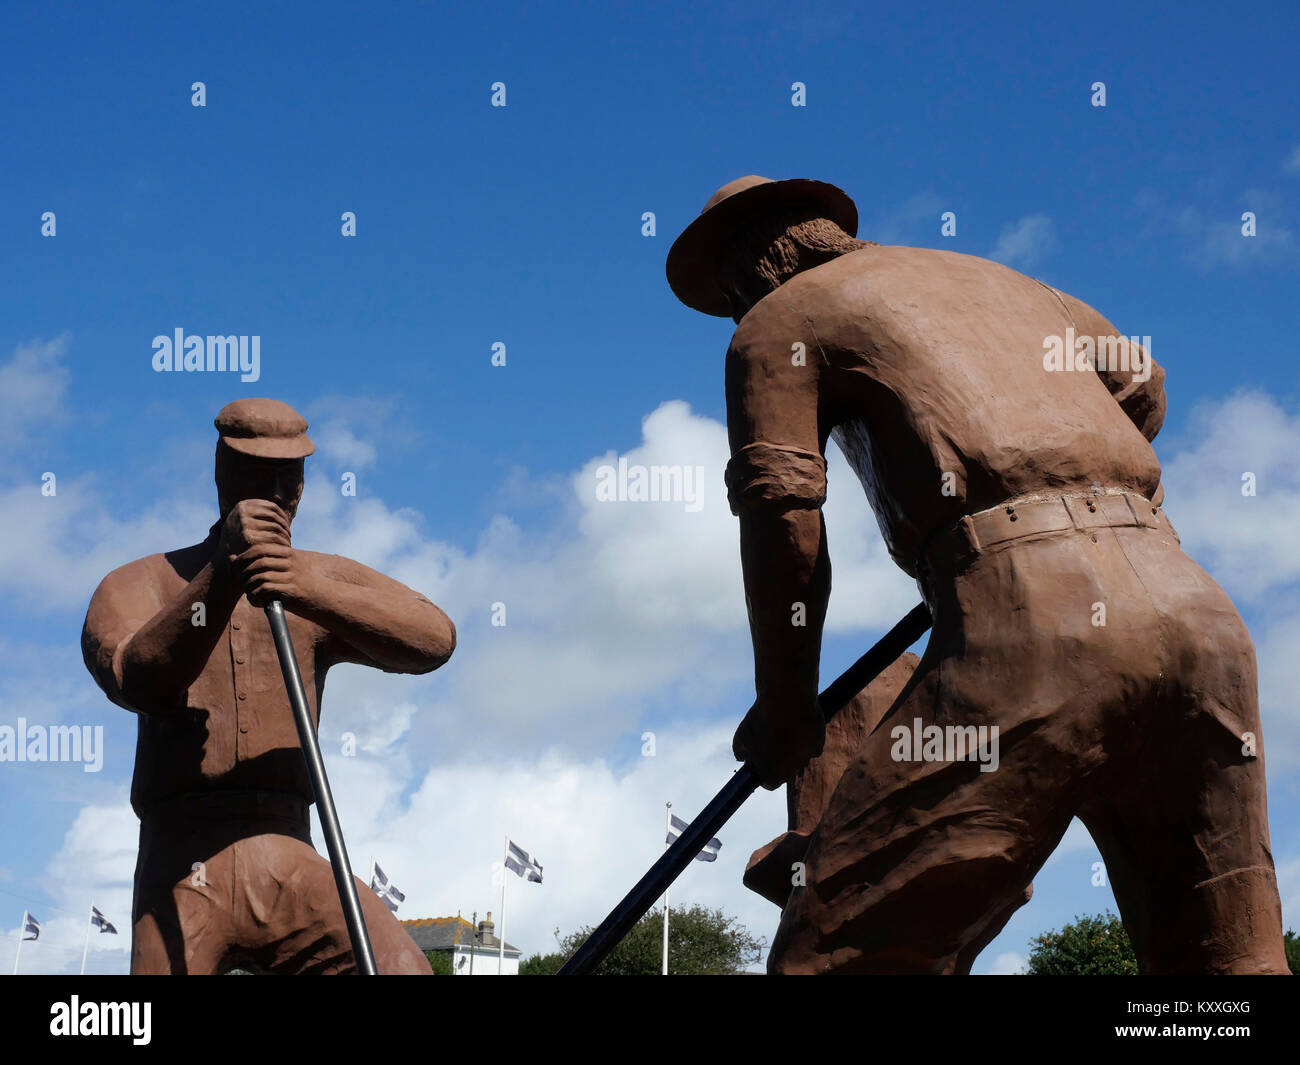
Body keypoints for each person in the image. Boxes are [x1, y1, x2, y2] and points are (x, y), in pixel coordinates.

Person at [666, 176, 1289, 974]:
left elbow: (781, 513)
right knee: (1227, 965)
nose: (734, 310)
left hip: (1033, 625)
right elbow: (1143, 386)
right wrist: (1086, 487)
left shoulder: (779, 321)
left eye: (728, 294)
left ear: (753, 265)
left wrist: (786, 707)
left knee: (833, 959)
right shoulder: (1016, 286)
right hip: (1198, 614)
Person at [82, 398, 454, 974]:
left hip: (287, 849)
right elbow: (137, 681)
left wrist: (307, 587)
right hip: (181, 860)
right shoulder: (139, 581)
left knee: (401, 969)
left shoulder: (312, 576)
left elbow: (434, 639)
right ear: (221, 472)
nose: (280, 493)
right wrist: (222, 574)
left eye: (292, 476)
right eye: (259, 474)